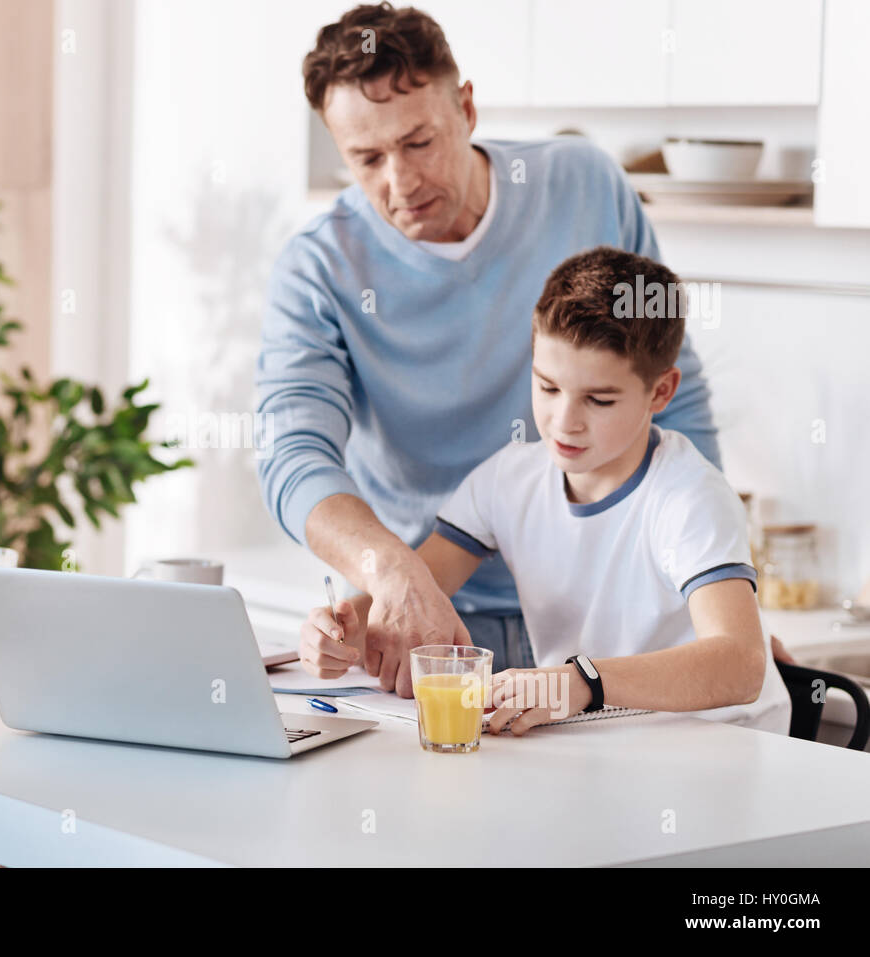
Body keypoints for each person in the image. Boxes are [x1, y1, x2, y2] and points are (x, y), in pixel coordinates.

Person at [256, 3, 721, 697]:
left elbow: (674, 397)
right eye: (367, 158)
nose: (401, 182)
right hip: (426, 625)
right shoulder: (319, 269)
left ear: (466, 108)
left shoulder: (584, 185)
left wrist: (722, 587)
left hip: (607, 623)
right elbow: (292, 452)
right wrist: (391, 572)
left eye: (419, 142)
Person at [299, 247, 792, 736]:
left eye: (599, 400)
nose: (565, 422)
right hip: (611, 744)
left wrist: (581, 682)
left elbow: (741, 664)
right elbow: (416, 591)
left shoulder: (689, 496)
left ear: (661, 392)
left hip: (727, 744)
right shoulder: (508, 481)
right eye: (548, 387)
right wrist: (342, 629)